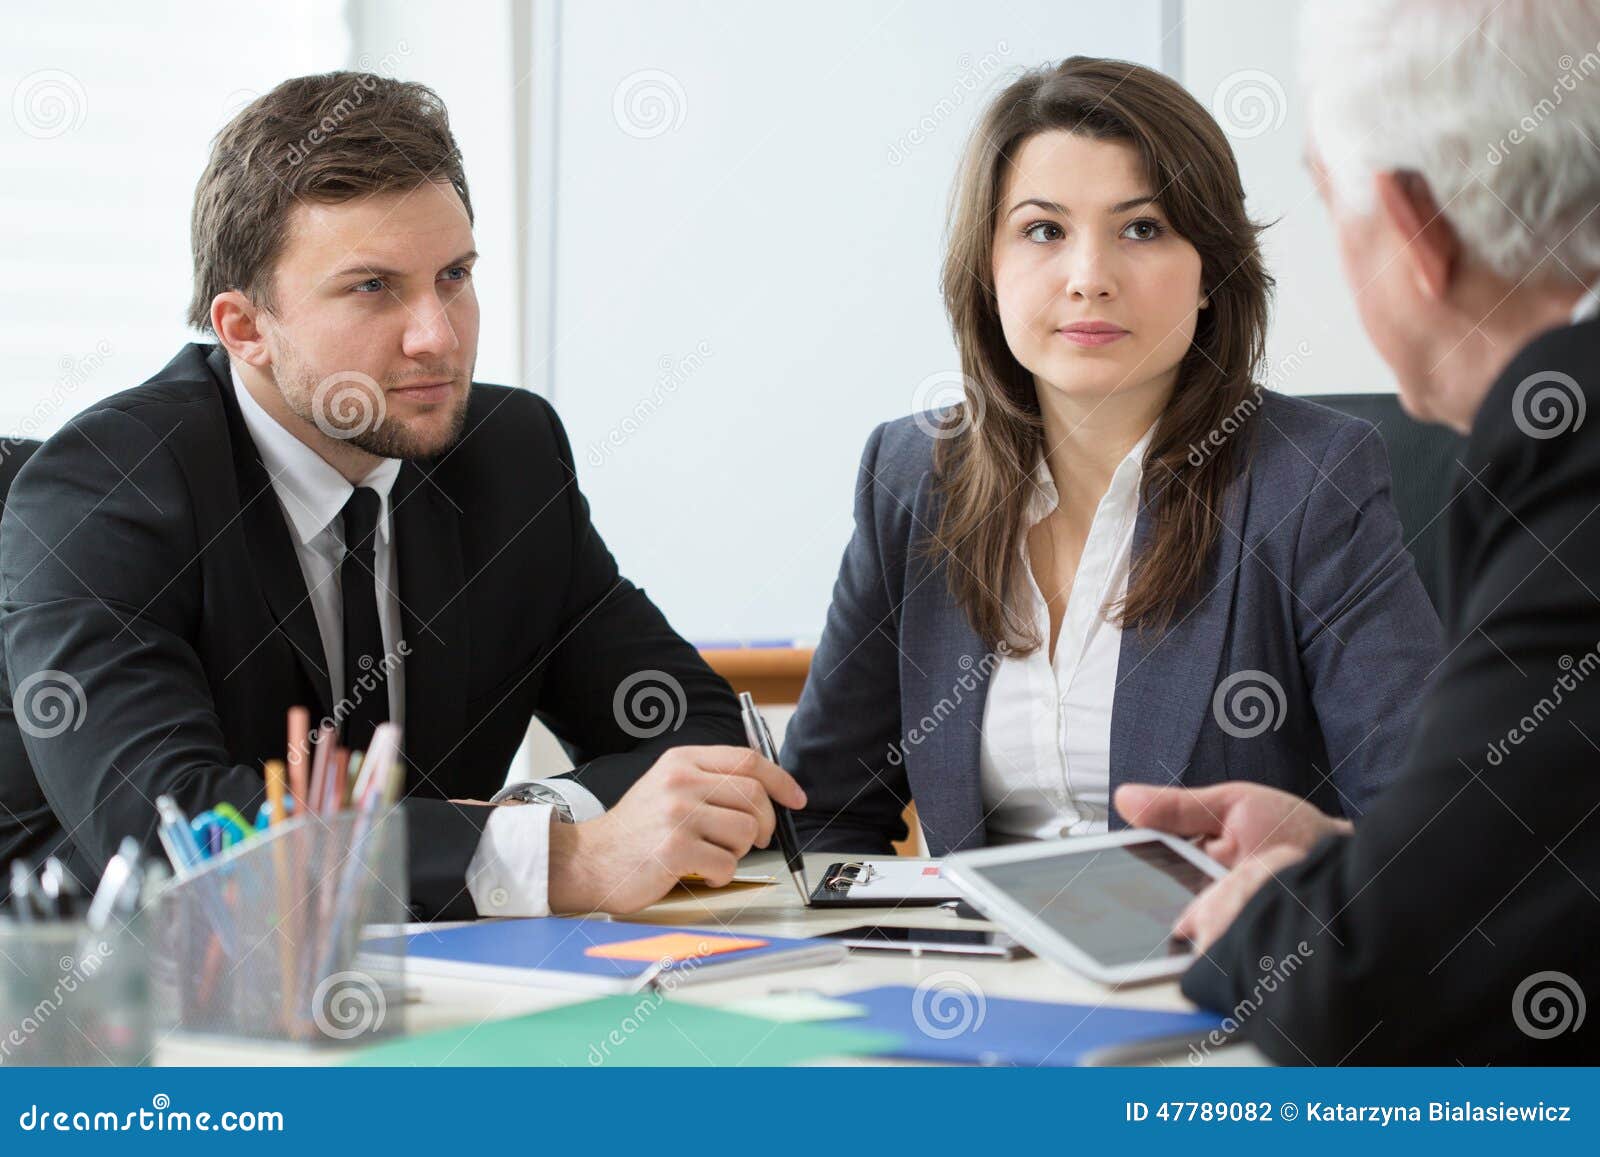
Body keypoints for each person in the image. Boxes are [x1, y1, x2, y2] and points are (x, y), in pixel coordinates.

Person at [0, 73, 805, 921]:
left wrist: (533, 822)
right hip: (126, 986)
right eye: (372, 287)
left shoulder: (509, 456)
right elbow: (178, 835)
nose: (439, 335)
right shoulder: (104, 489)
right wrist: (554, 861)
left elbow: (699, 733)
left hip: (447, 978)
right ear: (245, 327)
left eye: (454, 274)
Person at [781, 56, 1439, 858]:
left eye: (1142, 228)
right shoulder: (911, 475)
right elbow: (824, 818)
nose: (1089, 278)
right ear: (988, 268)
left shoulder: (1309, 480)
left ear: (1210, 271)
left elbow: (1426, 826)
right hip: (968, 943)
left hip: (1217, 937)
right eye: (1043, 231)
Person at [1117, 0, 1600, 1063]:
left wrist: (1290, 908)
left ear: (1414, 229)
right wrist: (1357, 854)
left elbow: (1368, 979)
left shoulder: (1572, 442)